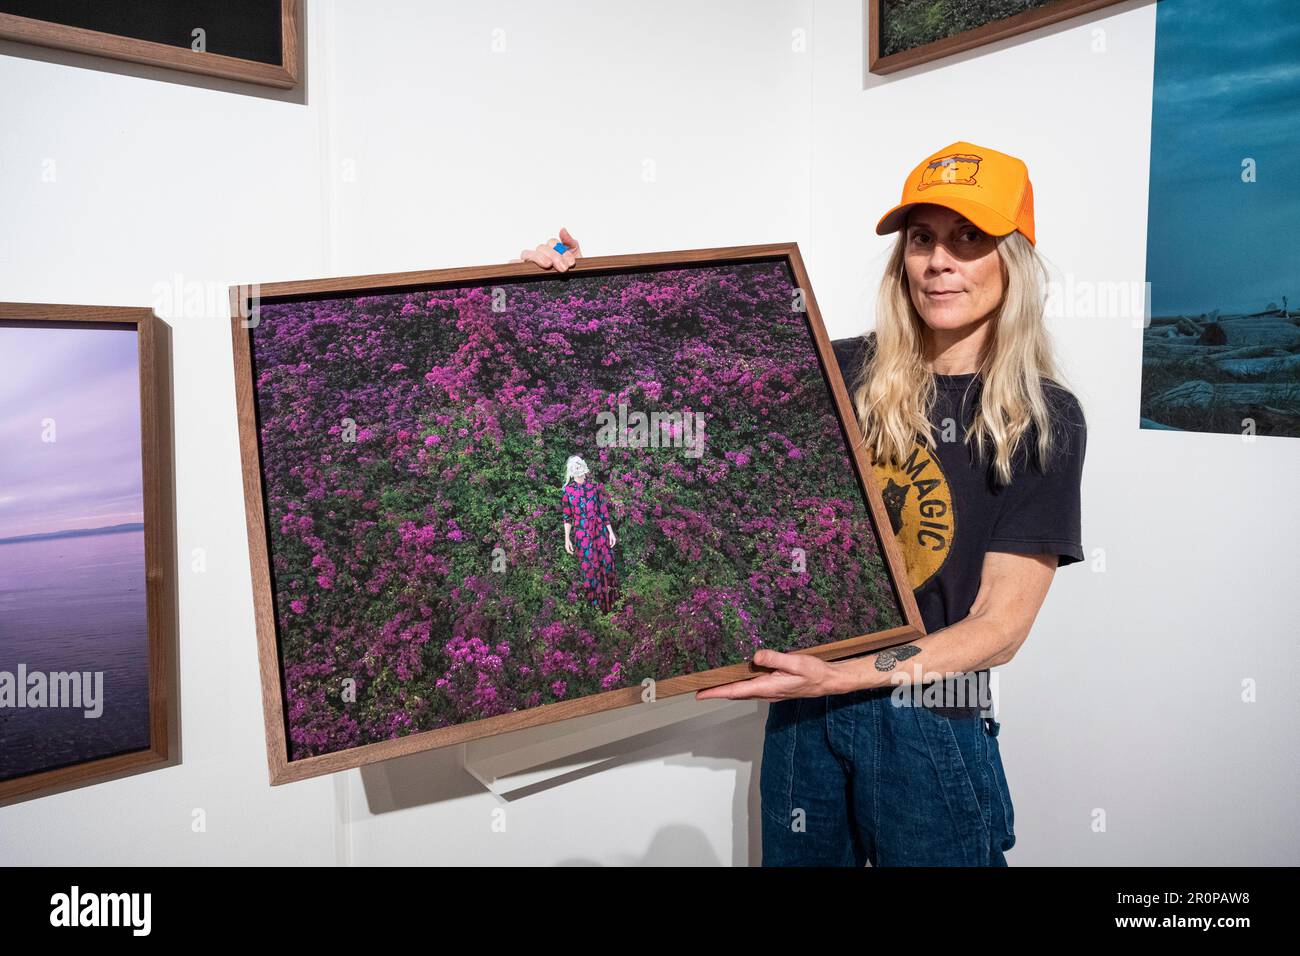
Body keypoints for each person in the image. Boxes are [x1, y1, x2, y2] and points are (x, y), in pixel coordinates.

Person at [513, 140, 1086, 866]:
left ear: (1014, 260)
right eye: (922, 239)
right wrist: (564, 290)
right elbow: (672, 377)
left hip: (930, 712)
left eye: (969, 238)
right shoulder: (840, 366)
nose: (940, 261)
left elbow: (1001, 627)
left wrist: (847, 675)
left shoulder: (1043, 419)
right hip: (804, 709)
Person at [560, 454, 620, 613]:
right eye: (577, 473)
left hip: (599, 531)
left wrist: (611, 532)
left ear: (585, 472)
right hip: (582, 535)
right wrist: (567, 539)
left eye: (582, 473)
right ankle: (596, 610)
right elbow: (567, 517)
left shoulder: (594, 488)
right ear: (572, 473)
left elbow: (603, 511)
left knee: (606, 564)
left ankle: (611, 604)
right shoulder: (567, 491)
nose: (580, 476)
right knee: (590, 569)